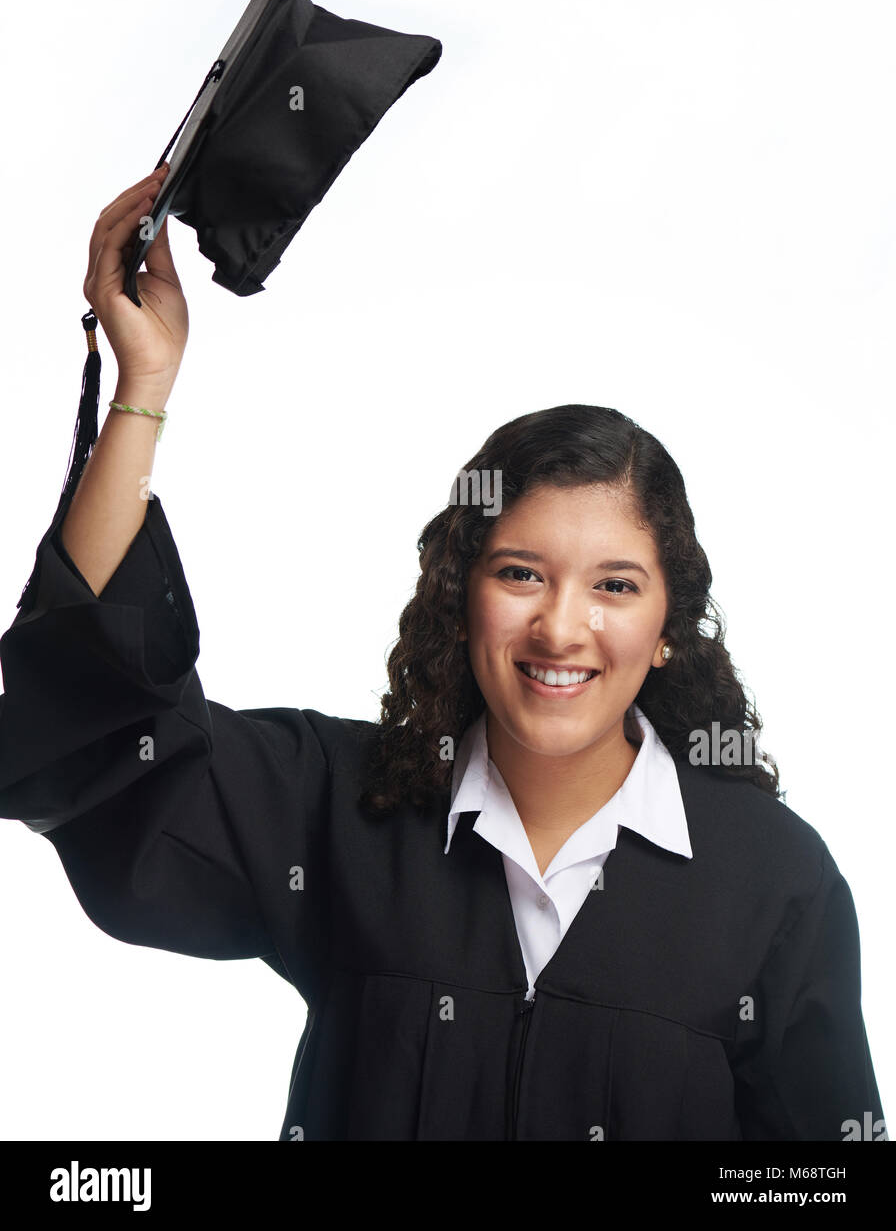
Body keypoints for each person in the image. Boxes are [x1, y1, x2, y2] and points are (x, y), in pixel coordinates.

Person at [0, 169, 886, 1142]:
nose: (561, 627)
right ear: (460, 596)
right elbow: (103, 737)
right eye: (521, 574)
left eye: (615, 586)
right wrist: (143, 390)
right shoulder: (342, 809)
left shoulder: (773, 884)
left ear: (669, 625)